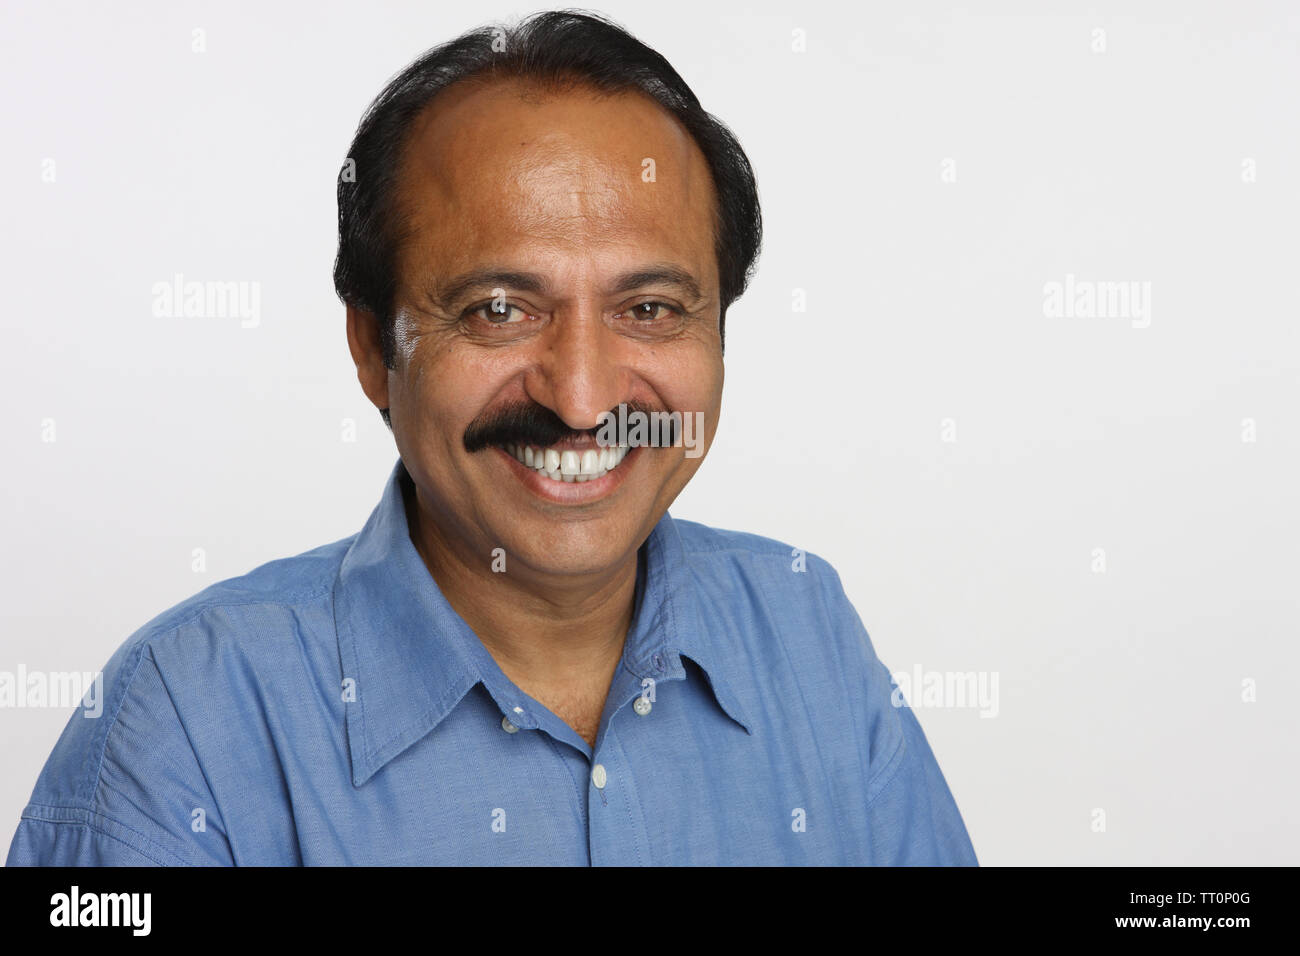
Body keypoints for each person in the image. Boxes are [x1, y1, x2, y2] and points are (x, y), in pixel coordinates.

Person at [7, 10, 976, 865]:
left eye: (649, 306)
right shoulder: (189, 714)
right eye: (500, 308)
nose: (583, 397)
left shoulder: (806, 629)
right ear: (371, 345)